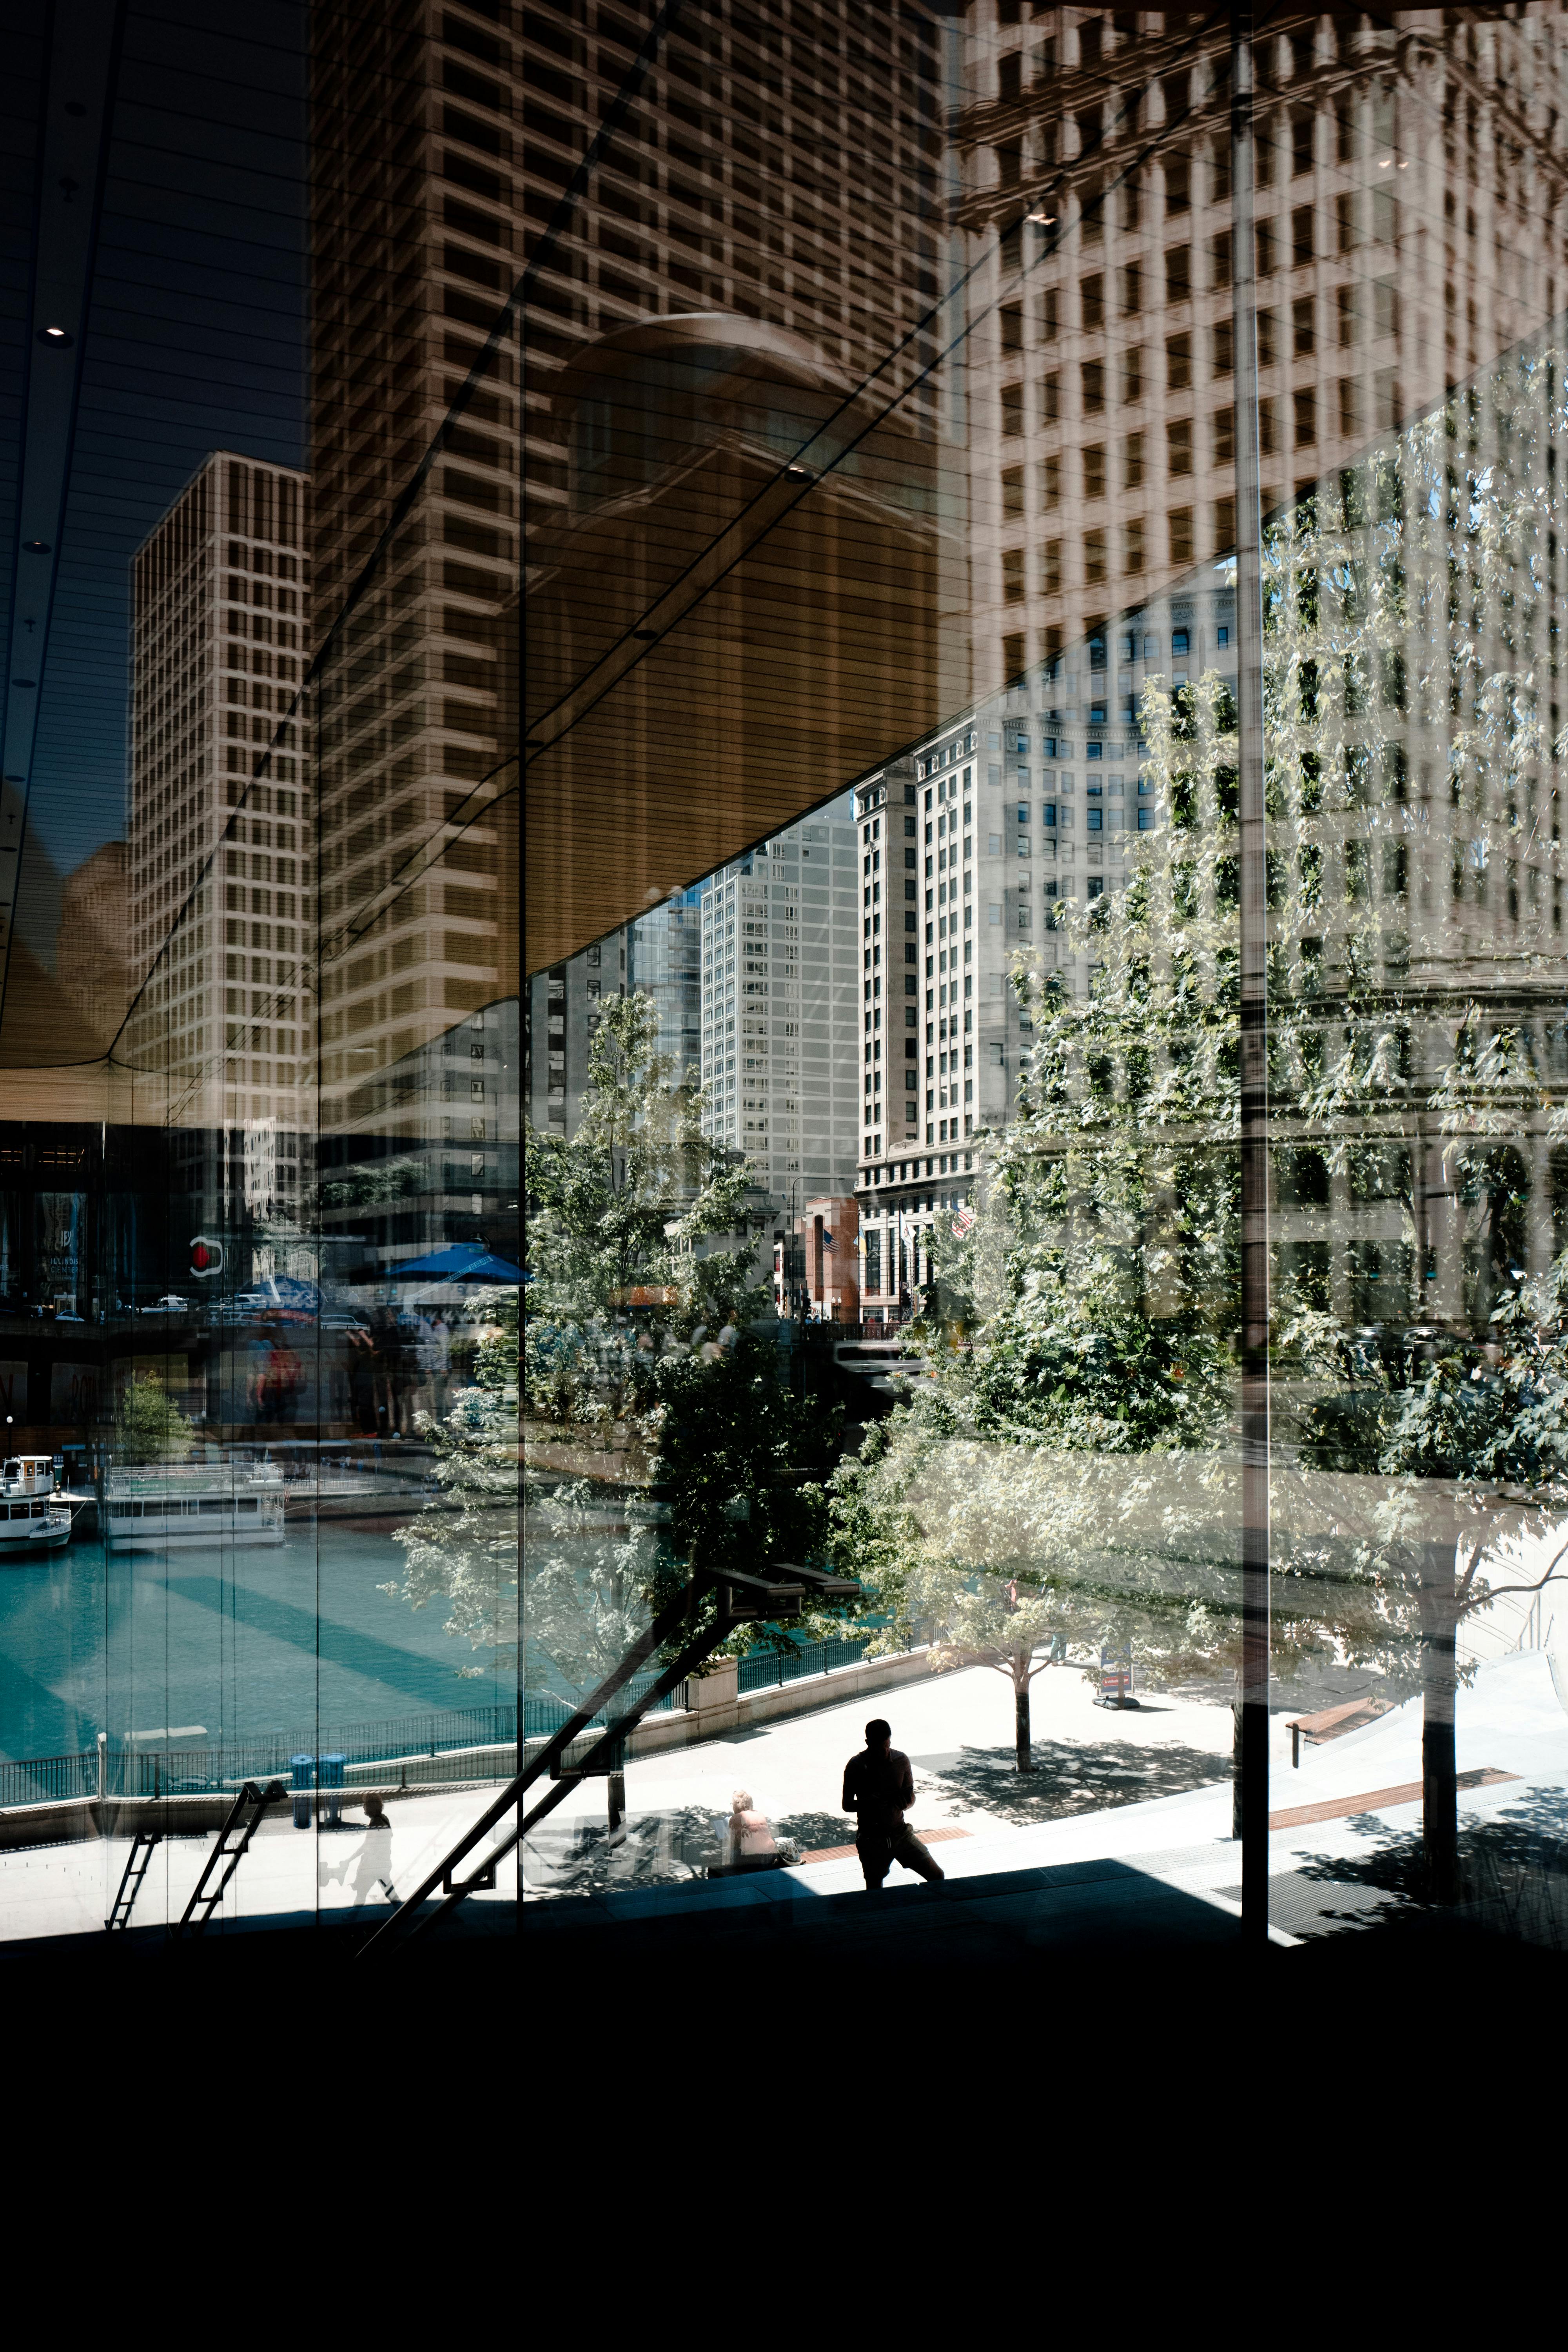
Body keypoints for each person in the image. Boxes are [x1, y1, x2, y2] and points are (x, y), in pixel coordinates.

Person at [842, 1719, 945, 1890]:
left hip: (901, 1833)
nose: (885, 1751)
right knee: (874, 1888)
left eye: (887, 1745)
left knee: (937, 1875)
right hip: (871, 1838)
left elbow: (910, 1794)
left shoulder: (901, 1760)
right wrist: (870, 1804)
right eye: (880, 1747)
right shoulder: (856, 1766)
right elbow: (847, 1805)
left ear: (890, 1740)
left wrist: (907, 1803)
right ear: (868, 1743)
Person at [345, 1792, 399, 1908]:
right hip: (383, 1864)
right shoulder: (384, 1819)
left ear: (371, 1807)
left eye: (365, 1805)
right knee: (391, 1894)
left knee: (361, 1895)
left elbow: (366, 1847)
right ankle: (403, 1912)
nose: (363, 1807)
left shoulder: (376, 1823)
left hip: (374, 1867)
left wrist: (350, 1859)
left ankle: (352, 1918)